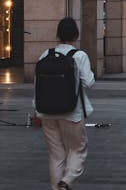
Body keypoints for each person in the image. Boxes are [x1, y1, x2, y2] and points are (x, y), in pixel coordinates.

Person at [35, 17, 94, 190]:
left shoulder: (46, 54)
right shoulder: (80, 56)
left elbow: (37, 85)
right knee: (78, 149)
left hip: (46, 112)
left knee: (56, 155)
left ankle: (57, 188)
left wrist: (36, 110)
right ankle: (67, 180)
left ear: (58, 34)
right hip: (72, 111)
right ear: (76, 34)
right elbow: (89, 82)